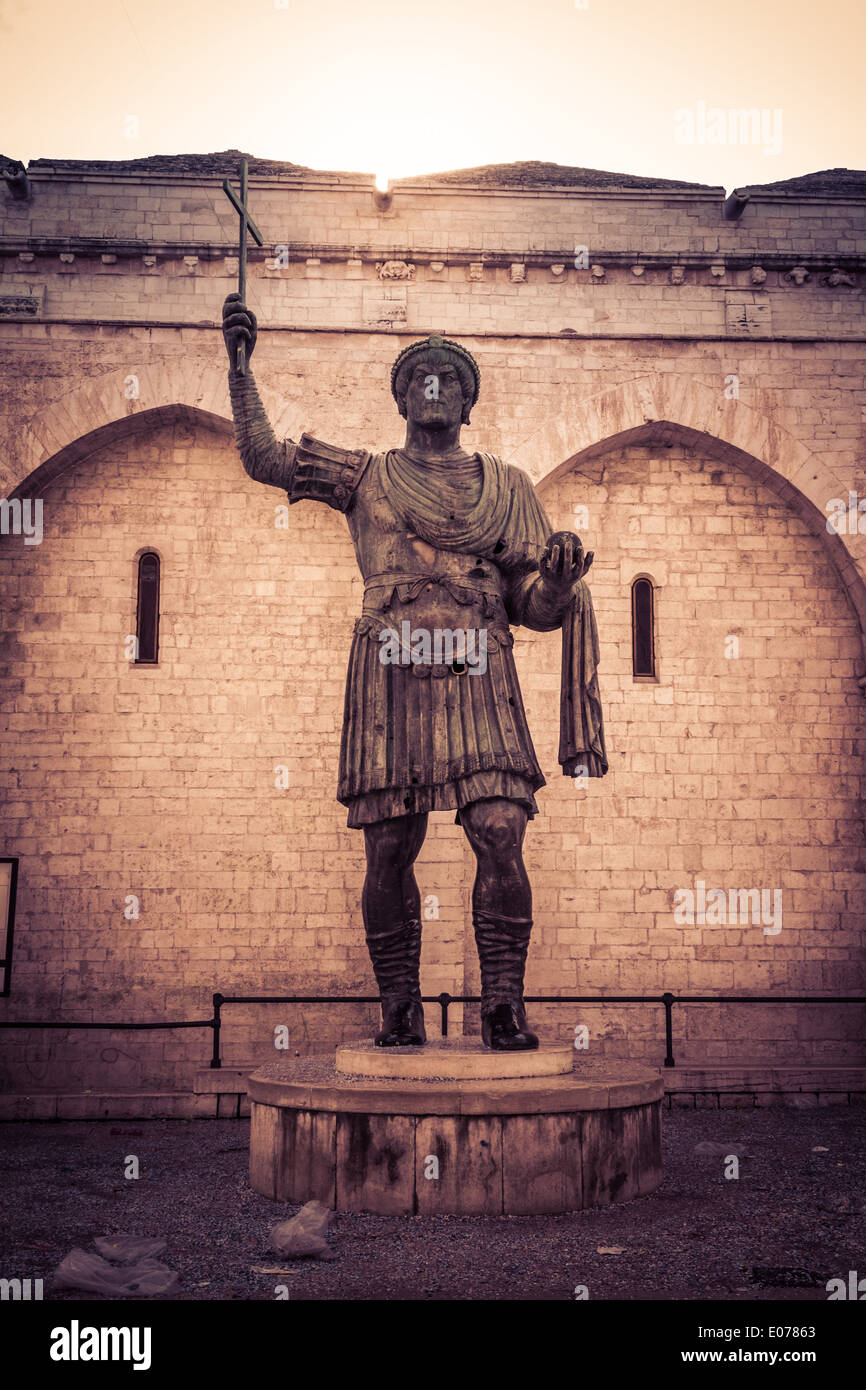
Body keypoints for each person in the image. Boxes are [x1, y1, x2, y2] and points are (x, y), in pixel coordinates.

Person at [222, 295, 607, 1049]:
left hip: (476, 661)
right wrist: (240, 371)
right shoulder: (365, 474)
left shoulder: (506, 485)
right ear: (399, 396)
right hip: (392, 664)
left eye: (449, 377)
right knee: (390, 843)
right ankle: (398, 1003)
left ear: (468, 398)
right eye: (419, 377)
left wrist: (558, 583)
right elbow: (266, 458)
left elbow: (532, 606)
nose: (434, 387)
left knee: (500, 829)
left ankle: (502, 1004)